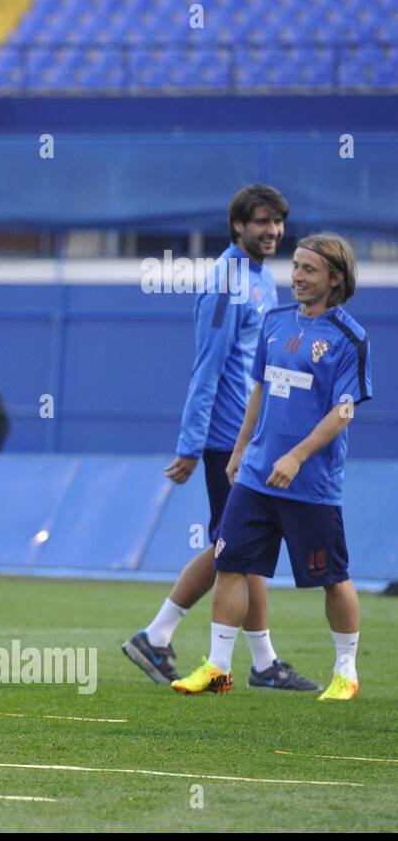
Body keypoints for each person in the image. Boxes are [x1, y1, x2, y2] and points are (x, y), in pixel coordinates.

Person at [124, 184, 318, 692]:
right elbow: (207, 368)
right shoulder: (226, 281)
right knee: (238, 547)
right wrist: (191, 444)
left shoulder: (261, 279)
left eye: (277, 222)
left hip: (251, 439)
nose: (272, 231)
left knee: (238, 547)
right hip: (226, 442)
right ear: (238, 226)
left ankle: (169, 639)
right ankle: (241, 658)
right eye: (261, 222)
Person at [172, 233, 371, 701]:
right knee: (231, 564)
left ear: (335, 278)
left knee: (333, 578)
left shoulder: (350, 338)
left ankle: (346, 673)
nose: (297, 277)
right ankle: (218, 667)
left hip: (311, 484)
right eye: (296, 267)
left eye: (309, 270)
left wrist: (298, 455)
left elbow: (344, 411)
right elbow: (257, 390)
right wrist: (241, 451)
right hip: (258, 475)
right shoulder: (275, 322)